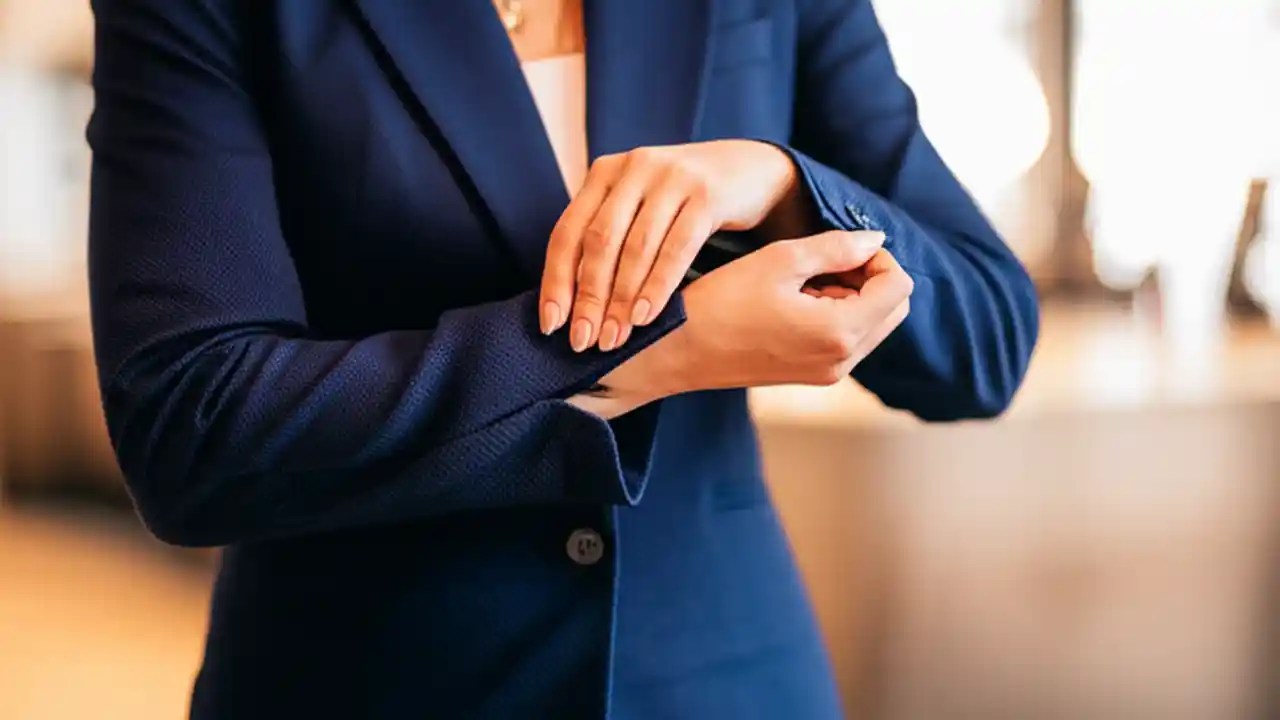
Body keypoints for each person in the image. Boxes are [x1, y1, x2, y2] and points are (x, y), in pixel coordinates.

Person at [87, 0, 1039, 717]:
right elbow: (190, 426)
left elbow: (988, 339)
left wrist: (785, 185)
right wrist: (661, 351)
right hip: (371, 678)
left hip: (725, 675)